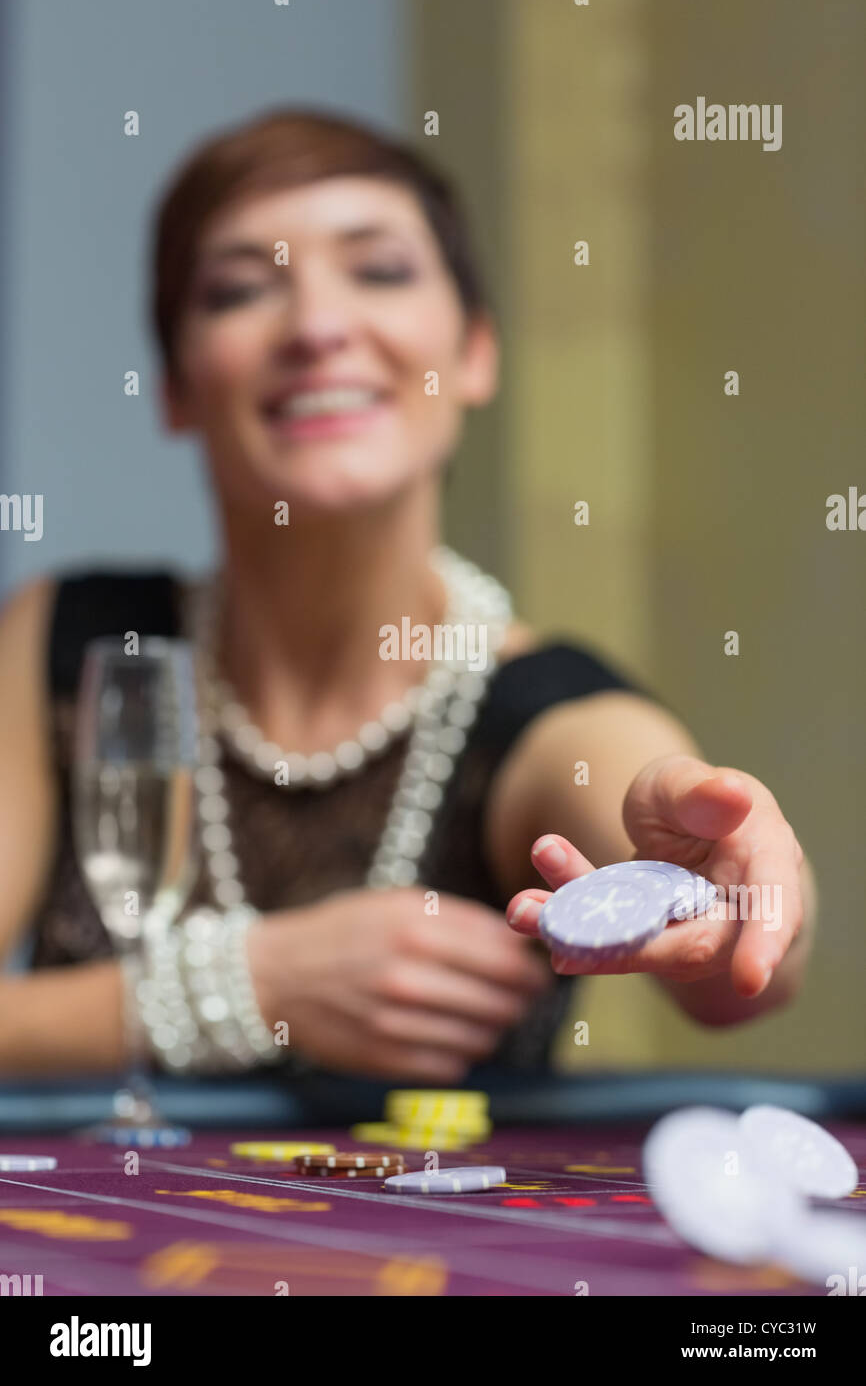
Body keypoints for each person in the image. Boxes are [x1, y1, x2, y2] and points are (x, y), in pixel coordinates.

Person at [0, 108, 814, 1084]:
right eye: (240, 289)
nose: (316, 327)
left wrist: (731, 884)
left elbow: (734, 966)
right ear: (175, 386)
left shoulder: (535, 708)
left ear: (474, 352)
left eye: (378, 270)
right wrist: (252, 986)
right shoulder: (76, 639)